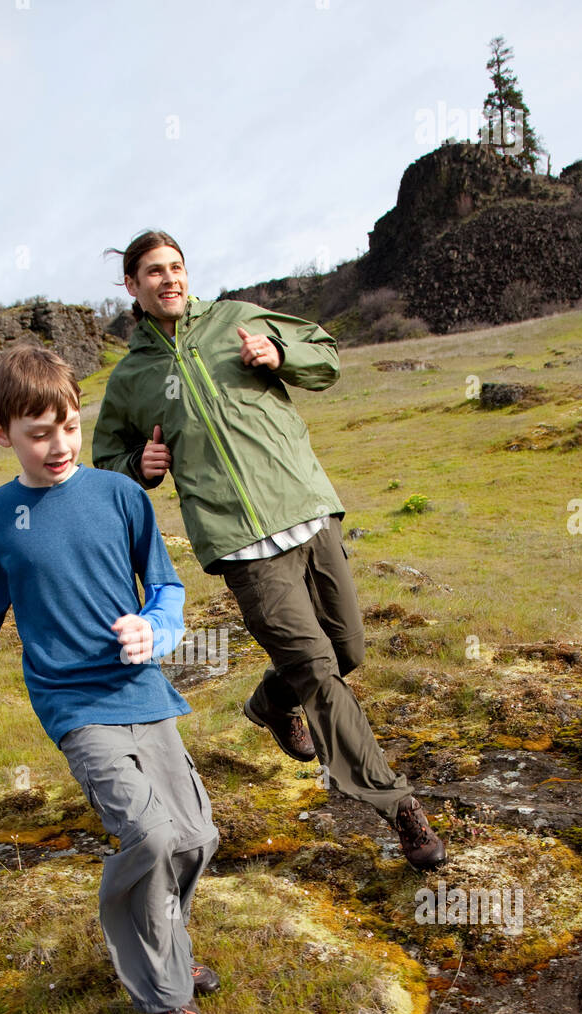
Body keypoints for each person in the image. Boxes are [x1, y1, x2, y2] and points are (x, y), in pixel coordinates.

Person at [93, 230, 446, 870]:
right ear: (132, 286)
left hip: (307, 512)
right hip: (241, 545)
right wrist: (138, 466)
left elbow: (327, 356)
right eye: (152, 272)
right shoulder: (132, 378)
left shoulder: (238, 319)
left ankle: (268, 703)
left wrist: (278, 352)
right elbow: (106, 459)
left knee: (347, 651)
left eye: (176, 267)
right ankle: (400, 810)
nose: (168, 279)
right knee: (318, 670)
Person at [0, 343, 220, 1014]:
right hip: (73, 705)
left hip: (144, 691)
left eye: (67, 426)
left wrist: (154, 630)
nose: (57, 445)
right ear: (2, 434)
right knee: (148, 836)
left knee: (195, 837)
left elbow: (167, 588)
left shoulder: (121, 496)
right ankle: (166, 995)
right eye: (37, 433)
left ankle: (168, 948)